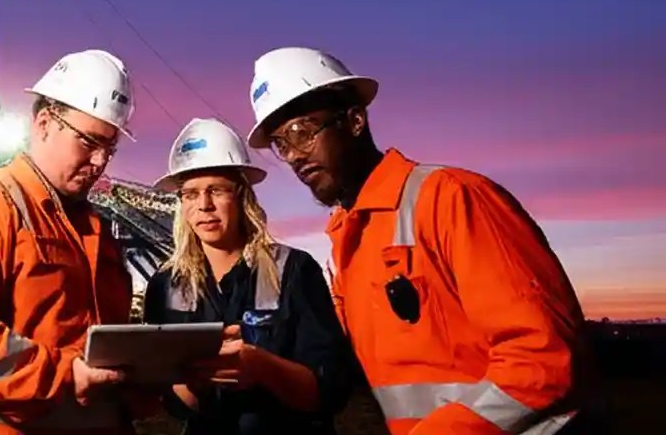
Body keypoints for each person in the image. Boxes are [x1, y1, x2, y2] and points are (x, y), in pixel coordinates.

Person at [243, 46, 594, 435]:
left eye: (303, 133)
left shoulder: (451, 198)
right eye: (281, 143)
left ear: (355, 120)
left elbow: (544, 360)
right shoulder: (348, 236)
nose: (293, 155)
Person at [0, 49, 146, 434]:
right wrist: (64, 375)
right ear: (44, 123)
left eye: (110, 148)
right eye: (88, 142)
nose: (101, 161)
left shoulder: (96, 231)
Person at [142, 117, 356, 434]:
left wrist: (260, 366)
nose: (204, 205)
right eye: (190, 193)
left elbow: (328, 391)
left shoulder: (294, 270)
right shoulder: (165, 285)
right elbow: (174, 404)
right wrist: (194, 384)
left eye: (217, 190)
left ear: (242, 196)